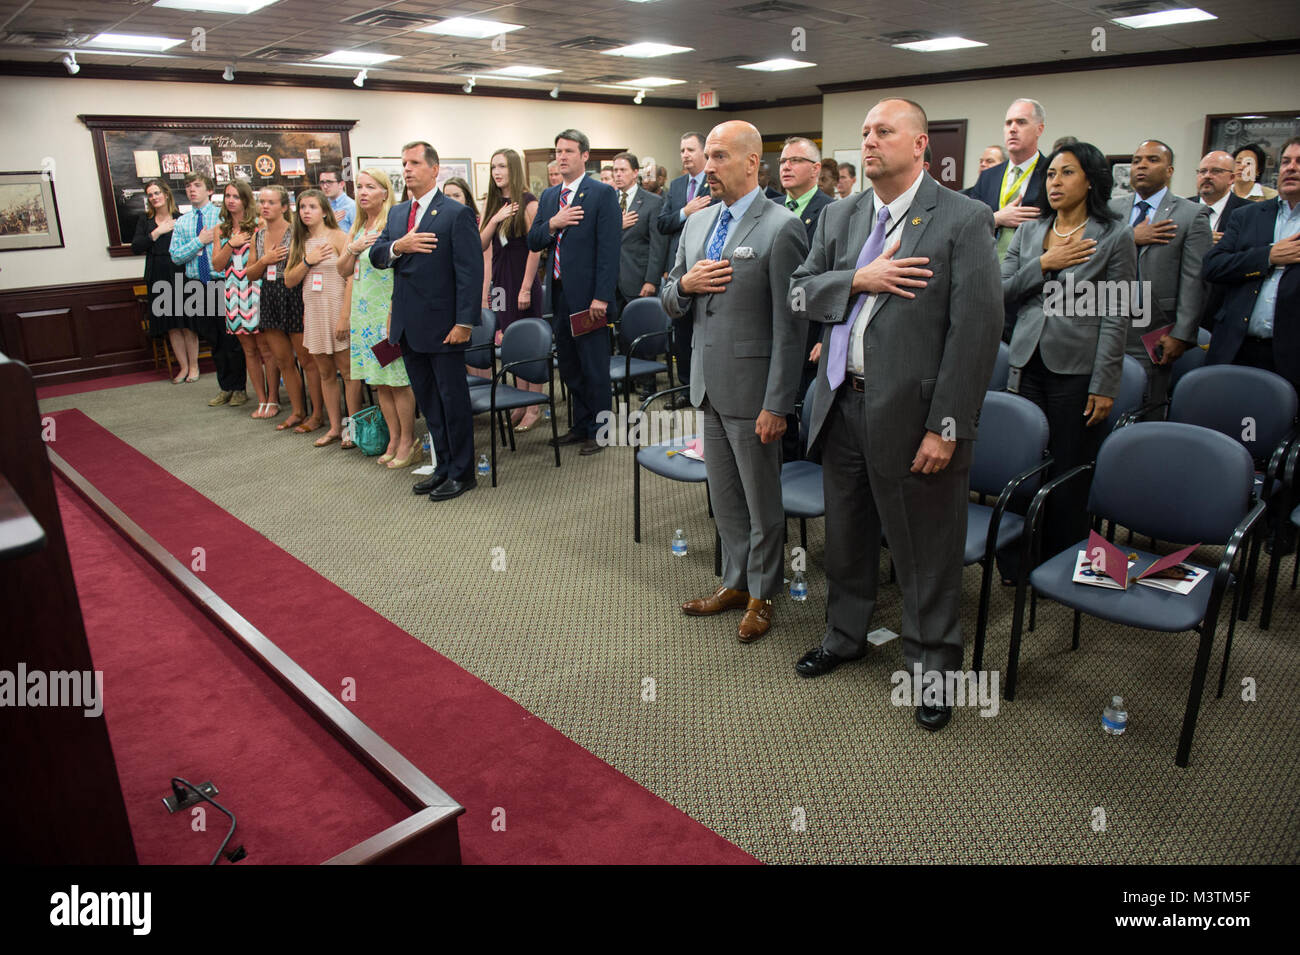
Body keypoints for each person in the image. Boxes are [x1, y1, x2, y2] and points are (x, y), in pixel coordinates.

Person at [788, 98, 1002, 733]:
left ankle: (933, 670)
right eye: (864, 133)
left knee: (925, 552)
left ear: (920, 145)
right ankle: (845, 634)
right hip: (840, 404)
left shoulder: (964, 219)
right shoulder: (843, 215)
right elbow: (800, 291)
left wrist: (948, 425)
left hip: (916, 418)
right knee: (847, 538)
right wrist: (857, 279)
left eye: (883, 131)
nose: (869, 141)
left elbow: (977, 332)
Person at [662, 120, 808, 643]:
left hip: (755, 392)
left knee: (761, 501)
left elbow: (792, 329)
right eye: (706, 157)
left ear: (752, 163)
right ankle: (736, 582)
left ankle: (765, 594)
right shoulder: (698, 224)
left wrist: (779, 402)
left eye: (720, 157)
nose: (708, 168)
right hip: (706, 382)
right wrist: (684, 283)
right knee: (723, 499)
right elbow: (667, 295)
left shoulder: (781, 227)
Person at [1002, 141, 1135, 576]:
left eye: (1067, 173)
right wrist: (1044, 262)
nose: (1054, 182)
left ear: (1092, 179)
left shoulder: (1113, 233)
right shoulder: (1029, 231)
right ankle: (1017, 555)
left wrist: (1105, 382)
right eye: (1051, 174)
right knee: (1023, 460)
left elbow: (1117, 314)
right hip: (1026, 359)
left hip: (1077, 368)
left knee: (1067, 465)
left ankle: (1062, 558)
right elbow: (1001, 291)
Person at [371, 141, 483, 501]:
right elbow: (377, 255)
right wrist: (398, 246)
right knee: (430, 404)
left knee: (452, 402)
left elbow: (470, 272)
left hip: (446, 326)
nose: (407, 169)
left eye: (415, 163)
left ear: (435, 169)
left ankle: (463, 473)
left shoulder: (454, 213)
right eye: (403, 163)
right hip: (408, 325)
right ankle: (443, 467)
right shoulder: (398, 213)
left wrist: (465, 322)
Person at [527, 128, 620, 457]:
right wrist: (554, 222)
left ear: (584, 156)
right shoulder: (552, 197)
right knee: (568, 365)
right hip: (559, 293)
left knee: (594, 366)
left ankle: (601, 431)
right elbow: (534, 240)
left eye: (568, 151)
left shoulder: (602, 194)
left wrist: (602, 297)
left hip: (590, 298)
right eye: (558, 151)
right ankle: (580, 425)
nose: (561, 156)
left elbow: (609, 250)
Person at [1107, 140, 1211, 411]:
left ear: (1170, 170)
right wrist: (1131, 236)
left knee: (1145, 401)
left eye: (1152, 160)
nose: (1142, 165)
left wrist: (1182, 334)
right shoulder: (1110, 210)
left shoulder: (1191, 215)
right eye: (1137, 160)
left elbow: (1195, 280)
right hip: (1104, 320)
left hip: (1154, 327)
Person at [1203, 137, 1300, 396]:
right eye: (1286, 162)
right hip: (1234, 348)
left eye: (1299, 162)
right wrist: (1268, 256)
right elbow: (1213, 267)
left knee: (1274, 432)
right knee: (1220, 424)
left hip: (1290, 358)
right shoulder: (1247, 215)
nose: (1291, 168)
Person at [337, 167, 420, 468]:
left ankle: (409, 441)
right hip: (363, 316)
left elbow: (402, 273)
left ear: (385, 191)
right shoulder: (358, 225)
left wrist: (394, 314)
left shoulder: (392, 222)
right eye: (359, 187)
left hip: (386, 313)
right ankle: (393, 438)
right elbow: (343, 270)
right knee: (379, 383)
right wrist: (353, 248)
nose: (362, 192)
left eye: (370, 187)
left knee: (397, 381)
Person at [775, 136, 834, 462]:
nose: (786, 167)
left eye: (795, 161)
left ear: (815, 169)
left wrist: (829, 334)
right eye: (783, 161)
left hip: (811, 330)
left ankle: (802, 476)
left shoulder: (832, 211)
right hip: (774, 324)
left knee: (802, 410)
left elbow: (838, 277)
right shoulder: (769, 207)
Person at [285, 188, 356, 447]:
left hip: (337, 311)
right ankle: (335, 427)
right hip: (314, 314)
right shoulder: (299, 241)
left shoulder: (338, 236)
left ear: (324, 211)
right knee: (325, 373)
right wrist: (307, 260)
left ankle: (352, 428)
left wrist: (344, 317)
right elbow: (289, 280)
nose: (306, 211)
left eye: (312, 206)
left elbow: (352, 278)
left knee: (348, 373)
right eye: (302, 207)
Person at [480, 148, 545, 429]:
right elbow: (479, 244)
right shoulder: (492, 204)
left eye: (503, 166)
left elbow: (536, 248)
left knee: (530, 344)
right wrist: (494, 219)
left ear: (514, 169)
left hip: (523, 281)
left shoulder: (528, 203)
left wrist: (527, 287)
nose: (497, 172)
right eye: (494, 166)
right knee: (509, 343)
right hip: (500, 283)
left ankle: (534, 406)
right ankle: (520, 402)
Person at [171, 171, 246, 406]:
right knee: (213, 341)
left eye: (197, 185)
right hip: (197, 286)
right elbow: (176, 256)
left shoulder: (222, 217)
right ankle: (225, 387)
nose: (192, 190)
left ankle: (239, 388)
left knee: (232, 339)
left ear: (210, 190)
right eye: (188, 186)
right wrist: (198, 241)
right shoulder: (182, 221)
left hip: (222, 282)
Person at [657, 132, 717, 407]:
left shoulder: (715, 181)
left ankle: (707, 385)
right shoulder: (677, 185)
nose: (685, 155)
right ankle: (685, 388)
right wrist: (685, 211)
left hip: (707, 267)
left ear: (704, 152)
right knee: (681, 334)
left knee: (703, 332)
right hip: (680, 272)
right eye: (682, 150)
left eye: (690, 149)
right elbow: (663, 223)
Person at [245, 185, 310, 431]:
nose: (265, 206)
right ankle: (297, 411)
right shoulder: (258, 236)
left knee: (307, 360)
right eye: (262, 202)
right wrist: (265, 260)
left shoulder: (297, 232)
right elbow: (250, 274)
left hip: (295, 294)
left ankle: (317, 413)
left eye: (271, 202)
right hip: (269, 295)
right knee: (283, 360)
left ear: (284, 206)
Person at [211, 179, 274, 417]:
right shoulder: (222, 230)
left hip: (257, 289)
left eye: (236, 196)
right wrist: (231, 244)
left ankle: (273, 398)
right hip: (234, 293)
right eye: (227, 196)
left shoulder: (259, 225)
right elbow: (217, 265)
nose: (230, 200)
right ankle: (260, 399)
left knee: (266, 350)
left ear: (246, 199)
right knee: (248, 350)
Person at [969, 98, 1049, 261]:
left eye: (1021, 122)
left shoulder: (1051, 173)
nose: (1012, 129)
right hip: (986, 266)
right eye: (1008, 123)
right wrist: (996, 218)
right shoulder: (988, 177)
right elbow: (968, 222)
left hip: (1032, 269)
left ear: (1039, 129)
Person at [133, 179, 196, 383]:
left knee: (187, 323)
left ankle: (194, 367)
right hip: (157, 274)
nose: (154, 197)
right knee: (171, 324)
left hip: (181, 273)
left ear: (166, 194)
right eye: (150, 195)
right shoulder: (145, 221)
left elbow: (192, 245)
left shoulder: (182, 218)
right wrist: (158, 232)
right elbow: (136, 246)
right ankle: (183, 367)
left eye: (157, 193)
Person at [611, 151, 668, 319]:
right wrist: (617, 226)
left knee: (640, 329)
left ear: (635, 173)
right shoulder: (607, 200)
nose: (618, 174)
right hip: (610, 282)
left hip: (639, 279)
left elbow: (658, 245)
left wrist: (651, 280)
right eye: (615, 170)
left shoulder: (653, 201)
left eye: (622, 170)